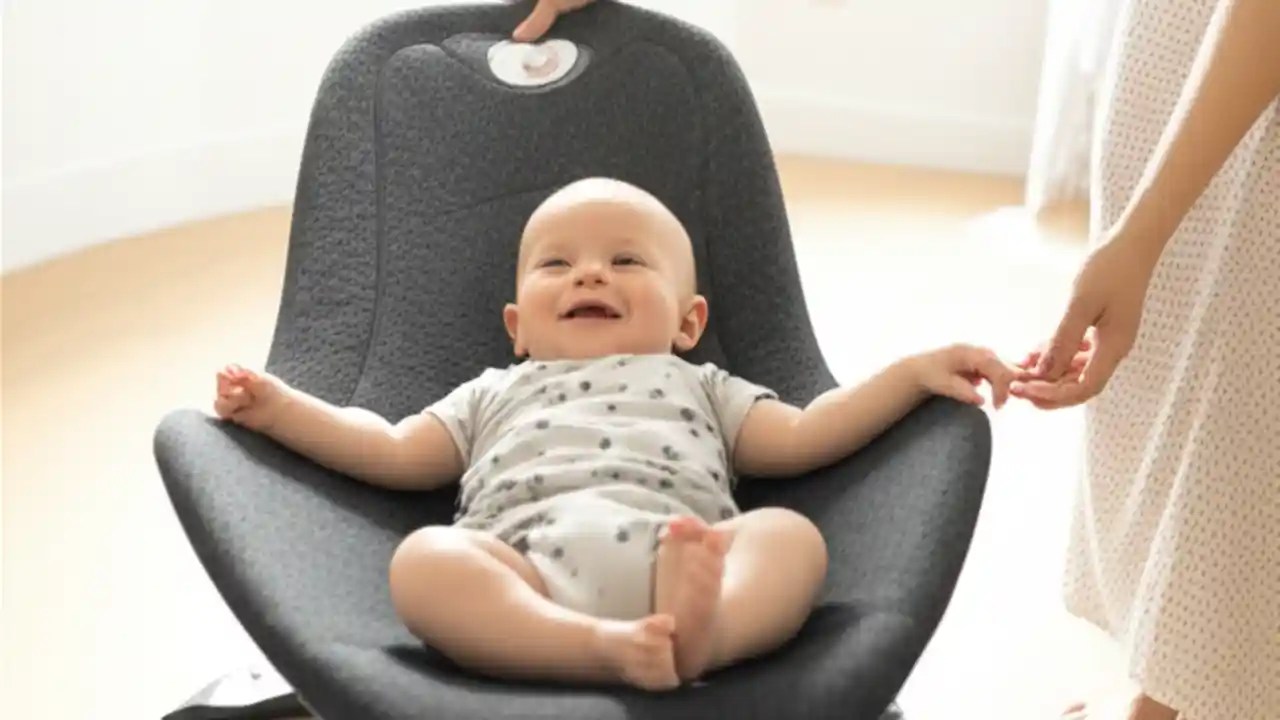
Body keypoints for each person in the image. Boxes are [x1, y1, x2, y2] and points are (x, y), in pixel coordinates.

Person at [213, 177, 1018, 691]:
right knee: (425, 562)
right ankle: (598, 646)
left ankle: (704, 637)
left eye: (627, 261)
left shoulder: (702, 384)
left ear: (688, 323)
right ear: (517, 328)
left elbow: (809, 431)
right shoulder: (491, 392)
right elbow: (389, 450)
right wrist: (281, 409)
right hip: (526, 576)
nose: (590, 273)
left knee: (790, 537)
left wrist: (910, 374)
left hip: (689, 562)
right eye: (556, 266)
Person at [1008, 1, 1280, 719]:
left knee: (1235, 405)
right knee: (1178, 392)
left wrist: (1140, 236)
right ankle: (1171, 685)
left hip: (1246, 93)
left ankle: (1172, 702)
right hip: (1183, 72)